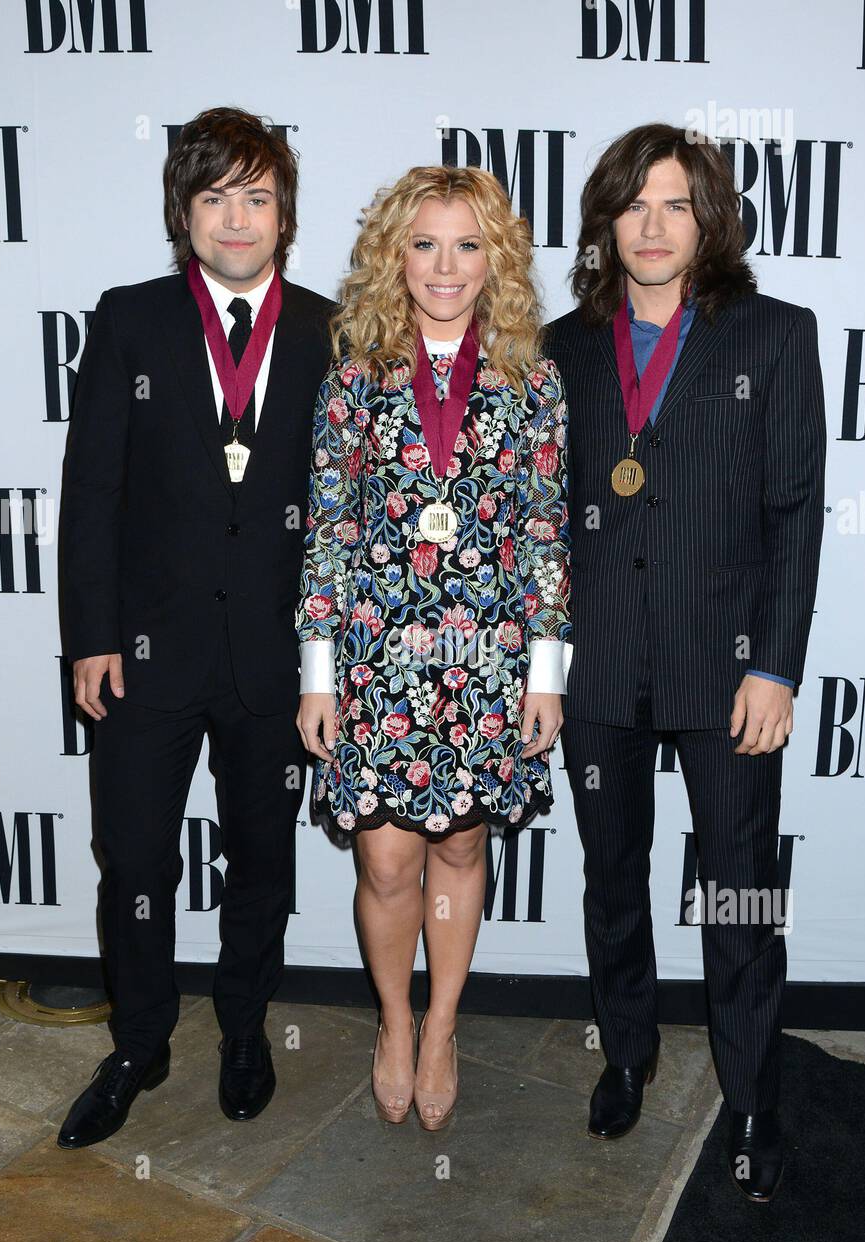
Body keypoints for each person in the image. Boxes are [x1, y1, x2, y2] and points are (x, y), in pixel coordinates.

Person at [546, 123, 825, 1201]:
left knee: (739, 892)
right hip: (601, 667)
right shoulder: (563, 347)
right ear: (606, 222)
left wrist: (777, 668)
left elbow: (793, 512)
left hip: (730, 670)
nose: (652, 226)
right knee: (611, 879)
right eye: (632, 205)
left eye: (675, 204)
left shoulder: (773, 335)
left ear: (710, 219)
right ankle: (627, 1054)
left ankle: (749, 1095)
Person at [56, 107, 334, 1147]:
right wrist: (89, 635)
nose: (235, 217)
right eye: (214, 195)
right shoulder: (128, 318)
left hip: (274, 660)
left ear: (284, 214)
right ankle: (138, 1041)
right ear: (184, 209)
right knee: (133, 859)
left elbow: (344, 515)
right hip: (143, 653)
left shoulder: (327, 327)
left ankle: (246, 1029)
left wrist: (327, 661)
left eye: (256, 196)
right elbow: (93, 489)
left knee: (262, 859)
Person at [295, 166, 572, 1131]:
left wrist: (546, 674)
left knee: (460, 845)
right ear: (393, 255)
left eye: (467, 244)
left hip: (490, 661)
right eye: (424, 243)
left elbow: (545, 532)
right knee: (386, 866)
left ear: (495, 257)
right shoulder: (354, 376)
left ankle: (445, 1023)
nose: (445, 266)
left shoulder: (533, 378)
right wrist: (319, 673)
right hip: (377, 660)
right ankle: (395, 1021)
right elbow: (326, 530)